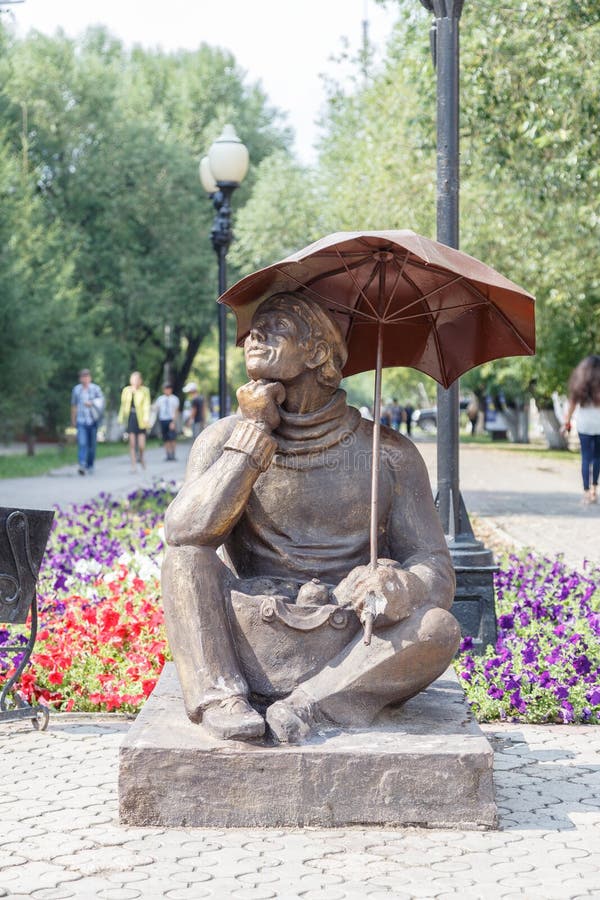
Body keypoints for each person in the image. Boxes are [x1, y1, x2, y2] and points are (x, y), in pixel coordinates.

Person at [162, 292, 459, 744]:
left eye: (276, 327)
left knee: (438, 629)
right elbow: (185, 532)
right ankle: (218, 699)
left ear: (319, 353)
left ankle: (308, 706)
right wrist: (253, 436)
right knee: (184, 563)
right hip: (247, 638)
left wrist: (401, 586)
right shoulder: (222, 438)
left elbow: (435, 568)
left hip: (346, 645)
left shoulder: (388, 454)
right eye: (252, 331)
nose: (255, 337)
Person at [561, 354, 600, 505]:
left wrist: (566, 423)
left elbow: (571, 405)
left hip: (584, 425)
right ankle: (594, 491)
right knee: (597, 458)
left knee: (586, 457)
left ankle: (585, 492)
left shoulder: (580, 384)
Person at [70, 368, 104, 475]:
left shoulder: (96, 389)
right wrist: (73, 419)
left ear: (90, 378)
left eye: (86, 376)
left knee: (92, 445)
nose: (85, 379)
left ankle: (90, 465)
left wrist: (92, 403)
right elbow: (74, 405)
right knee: (82, 442)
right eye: (83, 377)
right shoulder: (76, 390)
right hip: (81, 420)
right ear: (80, 378)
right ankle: (82, 464)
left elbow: (101, 402)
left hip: (93, 420)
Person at [118, 371, 151, 473]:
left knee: (141, 445)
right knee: (132, 443)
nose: (136, 381)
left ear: (140, 381)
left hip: (141, 419)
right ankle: (133, 466)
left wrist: (146, 417)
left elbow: (146, 405)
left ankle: (141, 458)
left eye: (137, 379)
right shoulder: (126, 390)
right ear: (131, 380)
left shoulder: (145, 390)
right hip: (131, 417)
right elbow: (123, 405)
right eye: (134, 379)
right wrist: (120, 418)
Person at [157, 382, 180, 461]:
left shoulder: (174, 399)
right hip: (163, 419)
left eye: (168, 389)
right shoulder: (160, 399)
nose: (167, 390)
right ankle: (168, 454)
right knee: (165, 438)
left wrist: (173, 422)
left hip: (171, 419)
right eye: (166, 389)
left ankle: (173, 454)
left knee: (172, 438)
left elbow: (176, 411)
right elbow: (157, 408)